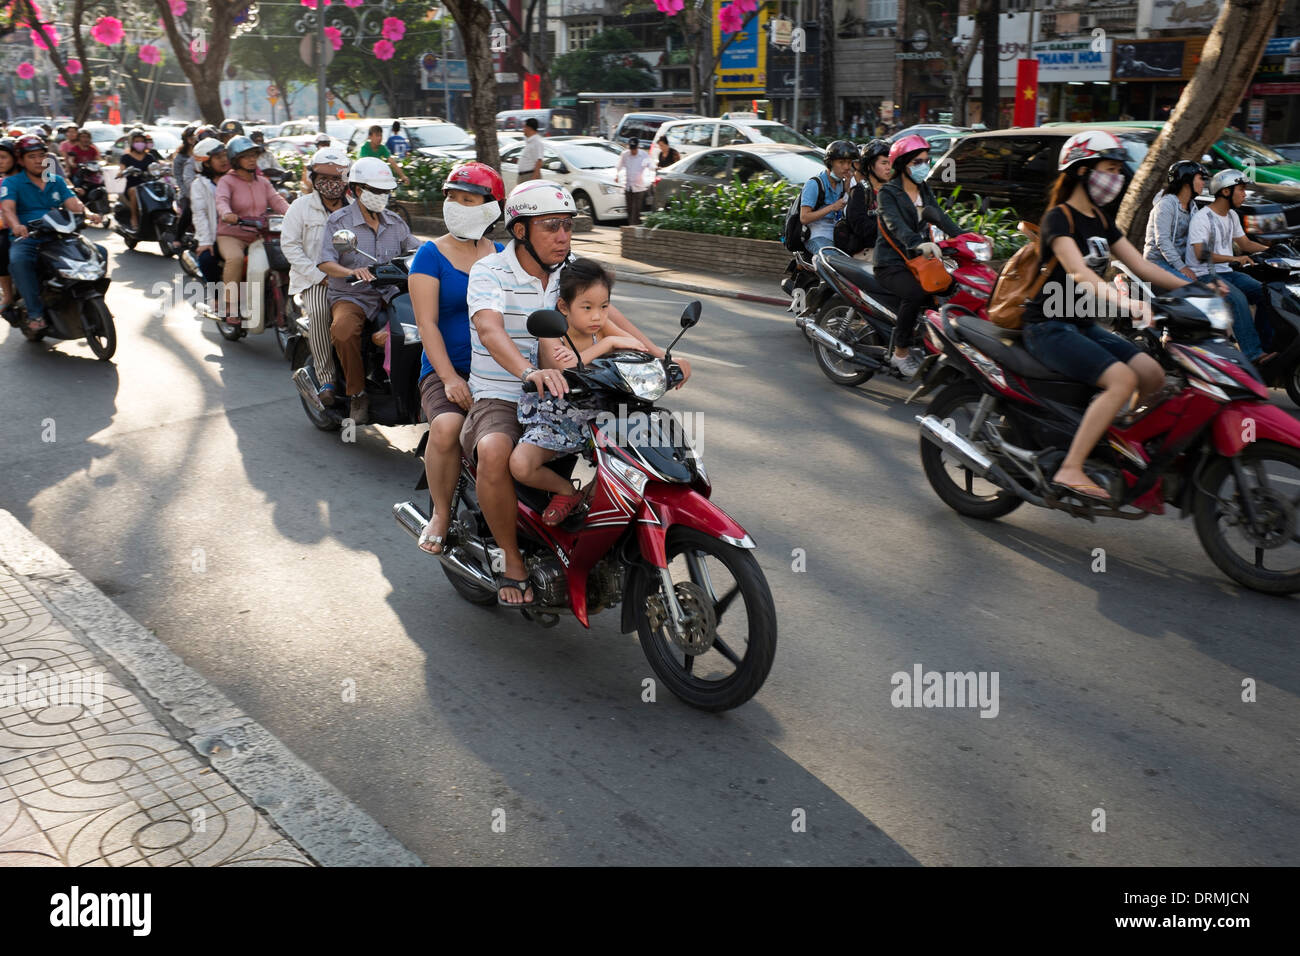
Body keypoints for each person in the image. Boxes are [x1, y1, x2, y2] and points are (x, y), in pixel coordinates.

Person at [461, 180, 688, 605]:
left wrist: (659, 355)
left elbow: (608, 315)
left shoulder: (573, 268)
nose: (563, 236)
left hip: (579, 388)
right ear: (521, 230)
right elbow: (489, 328)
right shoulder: (489, 271)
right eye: (551, 226)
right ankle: (513, 561)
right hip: (507, 389)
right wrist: (530, 371)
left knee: (638, 440)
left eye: (567, 225)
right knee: (495, 451)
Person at [1020, 130, 1191, 501]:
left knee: (1152, 373)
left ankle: (1105, 436)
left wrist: (1194, 288)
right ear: (1082, 170)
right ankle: (1070, 468)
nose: (1115, 178)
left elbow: (1142, 266)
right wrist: (1124, 303)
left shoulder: (1099, 218)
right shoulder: (1058, 218)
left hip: (1080, 323)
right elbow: (1080, 272)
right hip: (1047, 325)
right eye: (1109, 169)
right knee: (1121, 380)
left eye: (1117, 170)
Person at [408, 162, 506, 554]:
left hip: (499, 369)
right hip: (446, 369)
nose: (455, 206)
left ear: (490, 209)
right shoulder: (429, 256)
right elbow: (427, 325)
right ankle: (442, 513)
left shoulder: (503, 255)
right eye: (451, 198)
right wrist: (449, 378)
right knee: (448, 427)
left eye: (467, 200)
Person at [509, 259, 645, 525]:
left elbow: (635, 346)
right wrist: (608, 343)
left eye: (604, 307)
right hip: (558, 418)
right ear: (563, 307)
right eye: (587, 307)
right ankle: (566, 490)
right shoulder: (552, 333)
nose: (597, 316)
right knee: (521, 464)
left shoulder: (601, 328)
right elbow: (569, 367)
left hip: (600, 414)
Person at [315, 156, 421, 424]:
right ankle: (356, 393)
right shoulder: (339, 222)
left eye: (387, 191)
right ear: (359, 190)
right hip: (353, 295)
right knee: (343, 330)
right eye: (378, 191)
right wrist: (351, 272)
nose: (383, 196)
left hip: (392, 294)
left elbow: (417, 248)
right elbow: (326, 261)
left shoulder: (395, 222)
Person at [874, 133, 966, 379]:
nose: (924, 165)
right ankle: (900, 354)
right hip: (891, 263)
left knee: (949, 288)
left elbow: (940, 217)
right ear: (903, 164)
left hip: (919, 261)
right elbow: (895, 226)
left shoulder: (924, 189)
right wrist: (918, 244)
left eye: (926, 160)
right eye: (917, 162)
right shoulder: (888, 193)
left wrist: (966, 238)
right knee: (915, 294)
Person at [0, 134, 102, 333]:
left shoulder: (55, 180)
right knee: (19, 261)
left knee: (100, 253)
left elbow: (74, 203)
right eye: (32, 157)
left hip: (60, 234)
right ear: (21, 160)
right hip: (29, 238)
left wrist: (89, 214)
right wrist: (16, 226)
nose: (39, 160)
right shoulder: (11, 183)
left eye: (41, 155)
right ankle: (34, 313)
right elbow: (8, 210)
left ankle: (94, 304)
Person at [280, 147, 352, 407]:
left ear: (346, 180)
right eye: (323, 177)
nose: (330, 183)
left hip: (351, 279)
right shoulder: (300, 207)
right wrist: (318, 275)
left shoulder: (356, 208)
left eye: (336, 177)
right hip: (315, 281)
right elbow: (290, 246)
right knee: (321, 312)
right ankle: (326, 379)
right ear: (313, 178)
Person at [1188, 169, 1278, 363]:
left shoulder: (1232, 216)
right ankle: (1253, 354)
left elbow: (1245, 244)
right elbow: (1200, 254)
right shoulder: (1203, 218)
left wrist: (1275, 251)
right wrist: (1236, 259)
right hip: (1204, 275)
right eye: (1241, 189)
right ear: (1226, 191)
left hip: (1225, 272)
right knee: (1237, 298)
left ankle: (1267, 346)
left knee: (1266, 292)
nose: (1245, 194)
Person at [214, 135, 290, 325]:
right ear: (235, 159)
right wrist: (227, 213)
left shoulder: (262, 182)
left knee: (282, 256)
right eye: (246, 156)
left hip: (259, 234)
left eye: (254, 155)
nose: (251, 159)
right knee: (236, 258)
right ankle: (230, 306)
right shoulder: (227, 181)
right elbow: (221, 200)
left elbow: (277, 201)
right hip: (232, 234)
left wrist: (295, 214)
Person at [835, 138, 891, 257]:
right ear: (870, 166)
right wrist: (888, 227)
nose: (889, 168)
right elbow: (860, 227)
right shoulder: (860, 192)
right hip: (868, 252)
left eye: (890, 163)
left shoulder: (892, 192)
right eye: (884, 163)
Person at [800, 140, 855, 256]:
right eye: (841, 162)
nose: (846, 167)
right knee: (833, 262)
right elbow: (804, 218)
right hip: (816, 236)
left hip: (836, 235)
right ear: (830, 163)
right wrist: (832, 207)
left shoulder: (841, 183)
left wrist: (847, 187)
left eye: (849, 163)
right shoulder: (814, 184)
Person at [190, 137, 229, 286]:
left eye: (225, 155)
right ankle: (218, 298)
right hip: (214, 235)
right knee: (206, 259)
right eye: (218, 158)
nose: (224, 160)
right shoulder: (199, 185)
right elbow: (200, 214)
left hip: (241, 232)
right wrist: (206, 241)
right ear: (206, 163)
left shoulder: (236, 178)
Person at [117, 128, 163, 233]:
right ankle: (134, 218)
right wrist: (123, 172)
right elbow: (121, 171)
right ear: (131, 143)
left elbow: (155, 168)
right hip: (133, 186)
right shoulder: (126, 157)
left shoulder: (150, 157)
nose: (140, 144)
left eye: (142, 141)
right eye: (137, 141)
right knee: (134, 190)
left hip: (148, 185)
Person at [615, 137, 652, 226]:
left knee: (636, 210)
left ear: (638, 147)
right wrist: (616, 175)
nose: (633, 151)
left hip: (639, 187)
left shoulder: (643, 155)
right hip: (628, 186)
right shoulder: (625, 154)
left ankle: (634, 228)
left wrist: (652, 175)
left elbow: (651, 166)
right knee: (630, 209)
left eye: (634, 149)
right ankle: (631, 227)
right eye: (631, 149)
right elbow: (619, 166)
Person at [0, 138, 15, 315]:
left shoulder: (32, 176)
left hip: (41, 225)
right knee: (2, 249)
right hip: (7, 229)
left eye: (4, 157)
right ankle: (8, 295)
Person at [516, 117, 545, 182]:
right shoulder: (529, 141)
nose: (523, 129)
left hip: (529, 176)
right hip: (524, 176)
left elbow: (539, 162)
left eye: (524, 127)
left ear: (529, 128)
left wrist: (533, 180)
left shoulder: (537, 142)